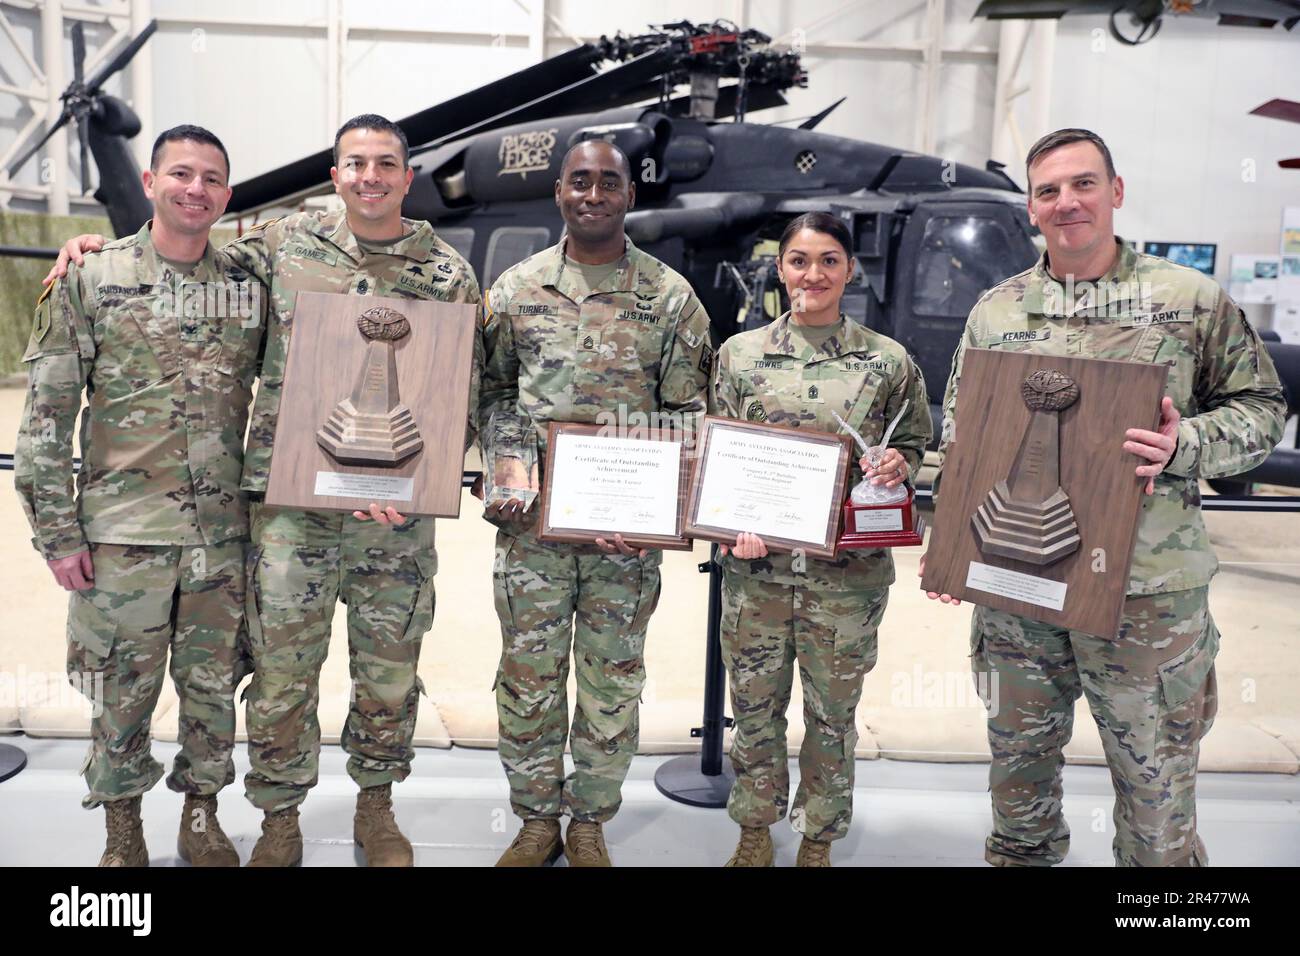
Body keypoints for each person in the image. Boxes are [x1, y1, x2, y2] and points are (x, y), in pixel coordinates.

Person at [51, 114, 483, 867]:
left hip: (393, 521)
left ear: (408, 178)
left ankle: (375, 810)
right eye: (355, 163)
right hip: (291, 516)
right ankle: (279, 815)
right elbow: (186, 249)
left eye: (386, 164)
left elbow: (459, 395)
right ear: (336, 173)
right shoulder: (284, 245)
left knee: (388, 676)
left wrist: (417, 481)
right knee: (281, 676)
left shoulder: (447, 272)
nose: (370, 177)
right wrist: (96, 249)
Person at [926, 128, 1287, 866]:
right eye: (1049, 191)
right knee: (1017, 784)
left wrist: (1183, 445)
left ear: (1115, 192)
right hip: (1018, 587)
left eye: (1084, 184)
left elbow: (1262, 410)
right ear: (1031, 208)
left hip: (1143, 596)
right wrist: (955, 550)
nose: (1068, 203)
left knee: (1155, 802)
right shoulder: (996, 311)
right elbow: (962, 431)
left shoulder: (1187, 301)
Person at [16, 125, 264, 866]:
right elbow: (45, 422)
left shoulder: (250, 283)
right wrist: (57, 534)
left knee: (213, 687)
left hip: (222, 536)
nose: (196, 189)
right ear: (151, 182)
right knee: (120, 692)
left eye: (212, 178)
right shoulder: (93, 276)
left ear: (227, 193)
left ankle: (201, 812)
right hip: (124, 536)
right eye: (180, 174)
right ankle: (121, 825)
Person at [478, 139, 711, 866]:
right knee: (528, 677)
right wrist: (510, 468)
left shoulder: (669, 298)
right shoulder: (516, 290)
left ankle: (590, 819)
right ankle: (536, 817)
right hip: (532, 534)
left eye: (609, 182)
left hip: (625, 542)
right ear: (558, 192)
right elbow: (492, 395)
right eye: (579, 181)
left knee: (612, 683)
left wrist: (653, 514)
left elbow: (688, 411)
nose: (593, 194)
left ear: (629, 195)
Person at [710, 212, 931, 867]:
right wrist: (730, 530)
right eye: (800, 260)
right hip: (759, 573)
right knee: (754, 710)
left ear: (849, 269)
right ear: (780, 269)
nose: (814, 274)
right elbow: (718, 456)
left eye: (829, 260)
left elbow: (916, 442)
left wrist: (900, 464)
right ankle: (754, 831)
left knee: (832, 716)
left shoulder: (887, 361)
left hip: (848, 577)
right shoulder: (739, 356)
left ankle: (818, 838)